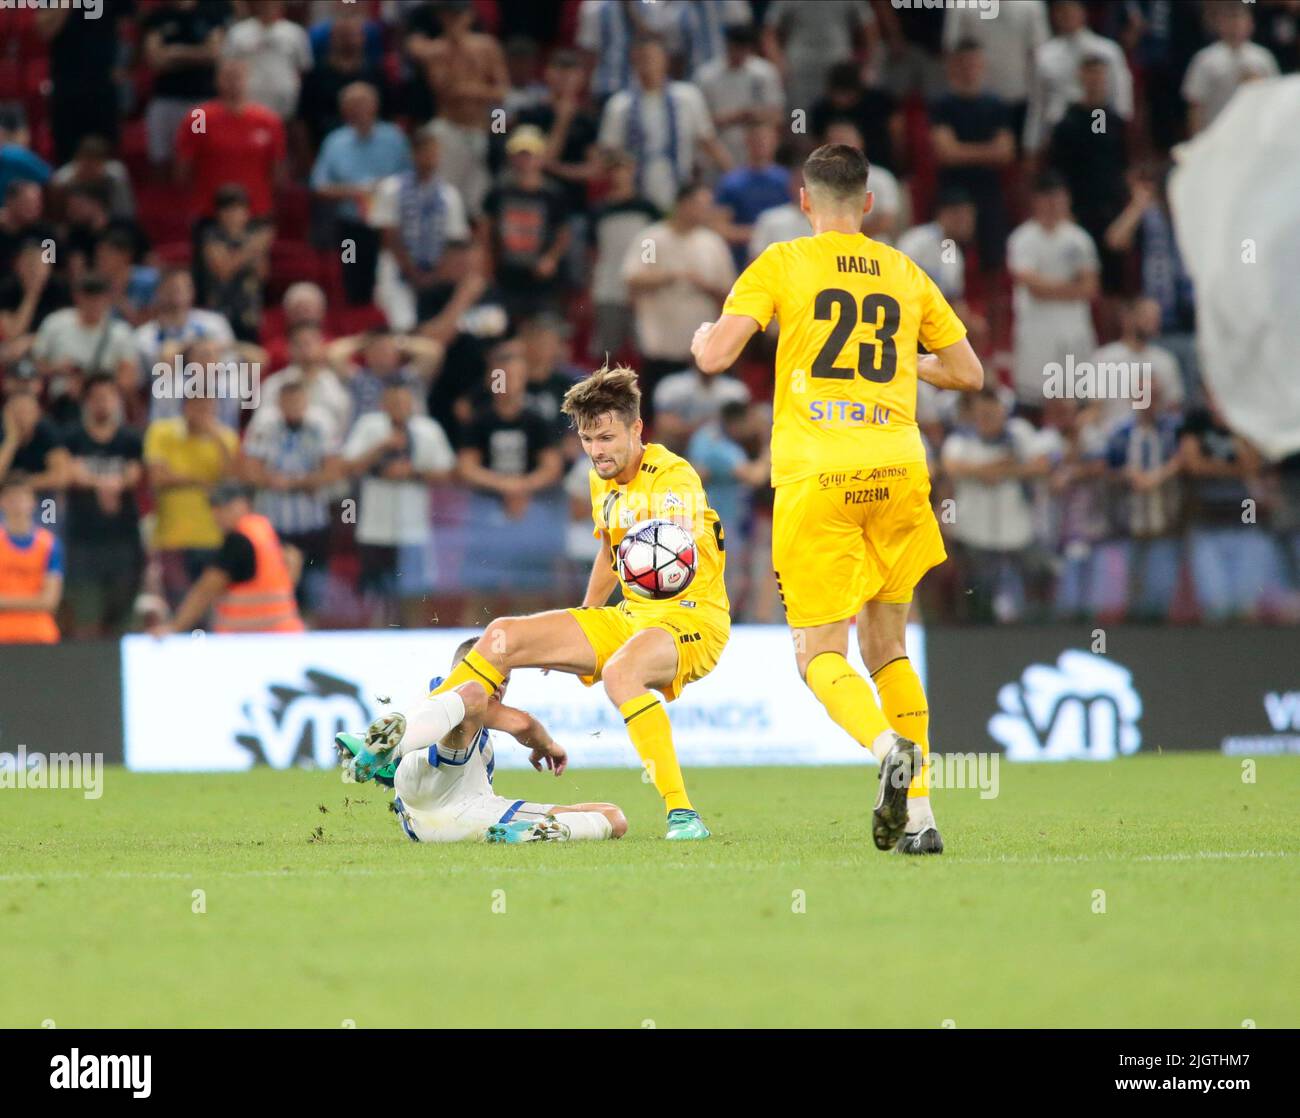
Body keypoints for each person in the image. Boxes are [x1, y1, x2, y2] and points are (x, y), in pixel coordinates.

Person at [691, 143, 984, 855]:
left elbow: (714, 358)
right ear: (871, 205)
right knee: (888, 647)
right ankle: (920, 818)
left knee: (819, 652)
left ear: (803, 202)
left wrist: (704, 334)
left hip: (819, 475)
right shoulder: (906, 270)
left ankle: (887, 747)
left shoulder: (783, 264)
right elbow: (969, 373)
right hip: (899, 470)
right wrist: (907, 366)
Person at [422, 365, 731, 841]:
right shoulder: (599, 480)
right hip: (631, 618)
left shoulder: (673, 477)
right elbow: (610, 550)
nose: (597, 451)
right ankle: (410, 733)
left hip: (691, 620)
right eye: (588, 439)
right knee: (504, 634)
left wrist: (664, 547)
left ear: (636, 429)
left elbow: (675, 543)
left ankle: (682, 814)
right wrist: (586, 618)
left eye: (607, 438)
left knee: (621, 673)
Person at [335, 638, 628, 845]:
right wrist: (548, 746)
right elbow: (523, 723)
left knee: (614, 817)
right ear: (462, 669)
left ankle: (548, 831)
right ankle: (387, 750)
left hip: (460, 818)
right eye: (494, 675)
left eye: (506, 680)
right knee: (472, 695)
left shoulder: (432, 717)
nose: (500, 685)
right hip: (449, 803)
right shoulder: (444, 693)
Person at [153, 482, 304, 635]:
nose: (215, 517)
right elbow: (294, 556)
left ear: (239, 505)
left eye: (219, 509)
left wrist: (175, 627)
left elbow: (205, 590)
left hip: (248, 639)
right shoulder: (264, 530)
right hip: (283, 633)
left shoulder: (238, 541)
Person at [0, 471, 63, 645]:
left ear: (33, 503)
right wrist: (35, 601)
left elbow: (50, 601)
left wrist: (4, 602)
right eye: (11, 498)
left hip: (39, 632)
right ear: (2, 502)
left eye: (22, 498)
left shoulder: (49, 544)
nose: (17, 505)